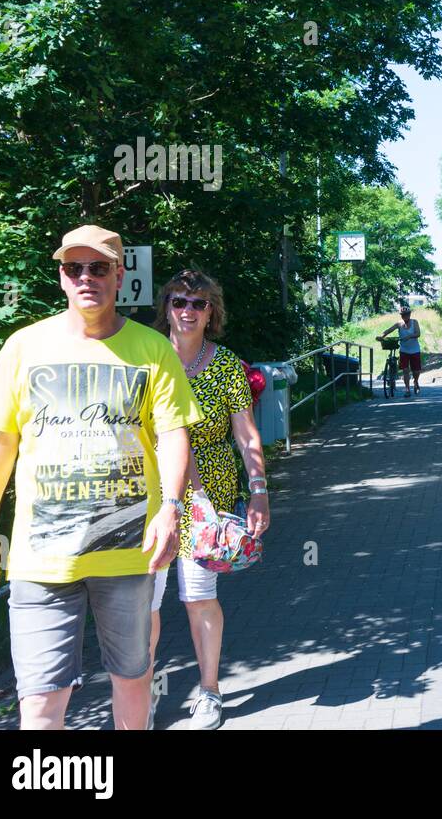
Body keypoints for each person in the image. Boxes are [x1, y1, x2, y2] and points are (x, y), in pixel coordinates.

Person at [0, 225, 201, 730]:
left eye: (98, 268)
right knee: (40, 698)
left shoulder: (152, 349)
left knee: (133, 677)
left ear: (119, 275)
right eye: (74, 268)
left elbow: (173, 435)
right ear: (61, 277)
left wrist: (171, 508)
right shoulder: (24, 346)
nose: (85, 278)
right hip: (42, 556)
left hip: (128, 548)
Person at [149, 269, 268, 730]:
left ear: (210, 311)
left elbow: (247, 435)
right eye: (179, 301)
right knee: (147, 600)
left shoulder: (225, 366)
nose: (187, 310)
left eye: (198, 304)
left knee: (198, 596)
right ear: (167, 307)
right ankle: (140, 693)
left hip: (209, 498)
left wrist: (258, 490)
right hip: (154, 496)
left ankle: (210, 691)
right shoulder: (149, 359)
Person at [379, 306, 421, 398]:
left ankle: (415, 381)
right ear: (401, 316)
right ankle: (407, 389)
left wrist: (409, 336)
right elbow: (389, 330)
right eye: (403, 315)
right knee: (405, 370)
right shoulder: (399, 324)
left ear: (409, 314)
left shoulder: (414, 322)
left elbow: (418, 333)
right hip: (404, 350)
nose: (405, 316)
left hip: (415, 350)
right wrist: (381, 336)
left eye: (406, 314)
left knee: (416, 371)